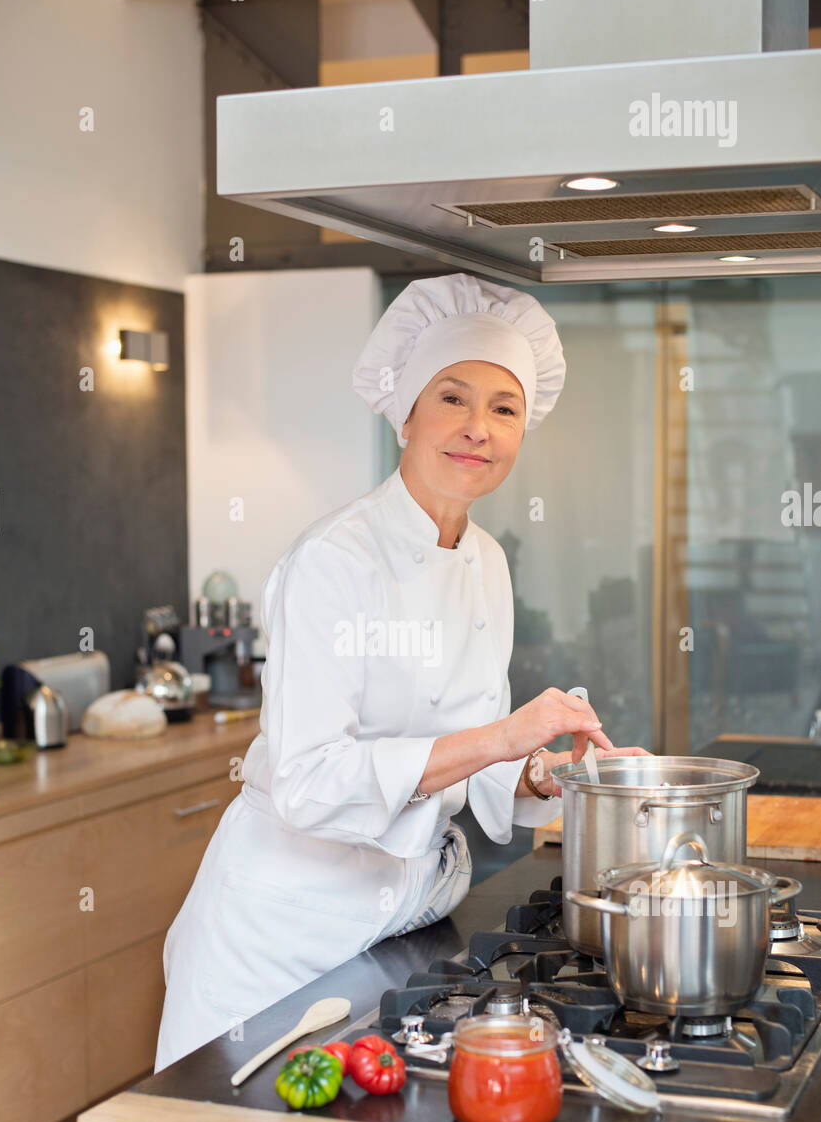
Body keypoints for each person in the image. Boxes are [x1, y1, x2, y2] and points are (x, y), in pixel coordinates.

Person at [154, 272, 650, 1073]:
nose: (476, 428)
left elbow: (467, 756)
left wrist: (544, 776)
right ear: (405, 414)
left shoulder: (486, 560)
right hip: (276, 941)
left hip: (397, 923)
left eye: (503, 408)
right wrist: (503, 733)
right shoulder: (332, 561)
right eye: (452, 398)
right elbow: (312, 781)